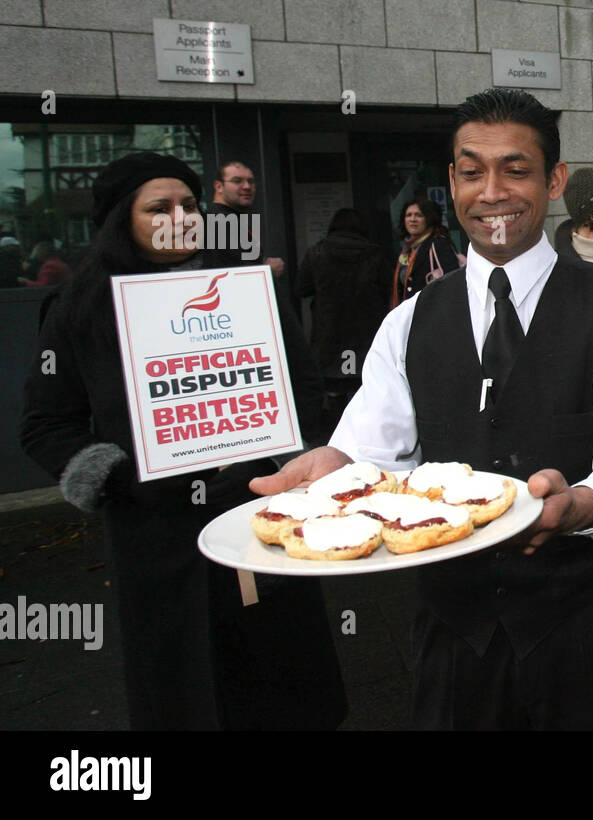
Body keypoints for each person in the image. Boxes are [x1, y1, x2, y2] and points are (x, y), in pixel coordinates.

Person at [250, 89, 593, 730]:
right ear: (451, 181)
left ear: (555, 180)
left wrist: (582, 503)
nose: (493, 192)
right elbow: (372, 448)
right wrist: (329, 470)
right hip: (456, 632)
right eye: (472, 170)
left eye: (516, 169)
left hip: (587, 625)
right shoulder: (408, 322)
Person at [19, 152, 347, 730]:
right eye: (159, 207)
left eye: (190, 205)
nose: (180, 217)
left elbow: (303, 388)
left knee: (282, 675)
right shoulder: (78, 308)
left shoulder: (246, 289)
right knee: (184, 685)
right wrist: (121, 477)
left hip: (256, 513)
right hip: (155, 534)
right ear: (124, 218)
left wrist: (281, 454)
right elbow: (47, 424)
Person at [295, 207, 392, 433]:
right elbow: (388, 288)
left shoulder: (316, 252)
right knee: (364, 386)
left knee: (334, 389)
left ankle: (338, 436)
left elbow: (301, 288)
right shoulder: (375, 254)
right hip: (365, 333)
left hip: (329, 336)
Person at [210, 159, 285, 278]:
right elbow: (234, 274)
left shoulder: (228, 218)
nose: (247, 187)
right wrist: (268, 269)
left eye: (251, 181)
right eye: (237, 181)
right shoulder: (220, 222)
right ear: (219, 186)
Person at [391, 198, 462, 306]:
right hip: (410, 313)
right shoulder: (407, 251)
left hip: (433, 313)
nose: (412, 219)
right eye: (408, 215)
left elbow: (453, 281)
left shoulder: (439, 244)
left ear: (429, 219)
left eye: (418, 215)